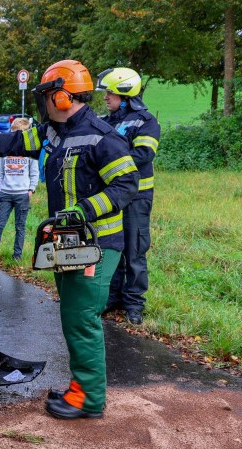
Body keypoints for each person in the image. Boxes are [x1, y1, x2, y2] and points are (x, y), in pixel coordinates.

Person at [0, 60, 139, 420]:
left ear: (63, 97)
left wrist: (85, 209)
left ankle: (89, 398)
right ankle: (81, 386)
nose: (44, 102)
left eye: (47, 95)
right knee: (72, 314)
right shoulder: (54, 132)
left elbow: (127, 185)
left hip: (96, 242)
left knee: (81, 317)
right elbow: (15, 141)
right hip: (69, 239)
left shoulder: (102, 138)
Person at [96, 68, 161, 325]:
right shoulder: (104, 121)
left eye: (110, 93)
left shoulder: (146, 121)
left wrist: (109, 160)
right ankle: (112, 297)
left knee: (134, 250)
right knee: (113, 247)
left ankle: (134, 303)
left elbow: (144, 154)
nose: (105, 97)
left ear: (125, 96)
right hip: (112, 196)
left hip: (137, 196)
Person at [0, 117, 39, 268]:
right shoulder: (6, 150)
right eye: (13, 133)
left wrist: (31, 190)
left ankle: (17, 256)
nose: (15, 136)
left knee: (20, 227)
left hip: (22, 195)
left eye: (19, 133)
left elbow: (34, 173)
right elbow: (0, 172)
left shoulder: (30, 152)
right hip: (5, 194)